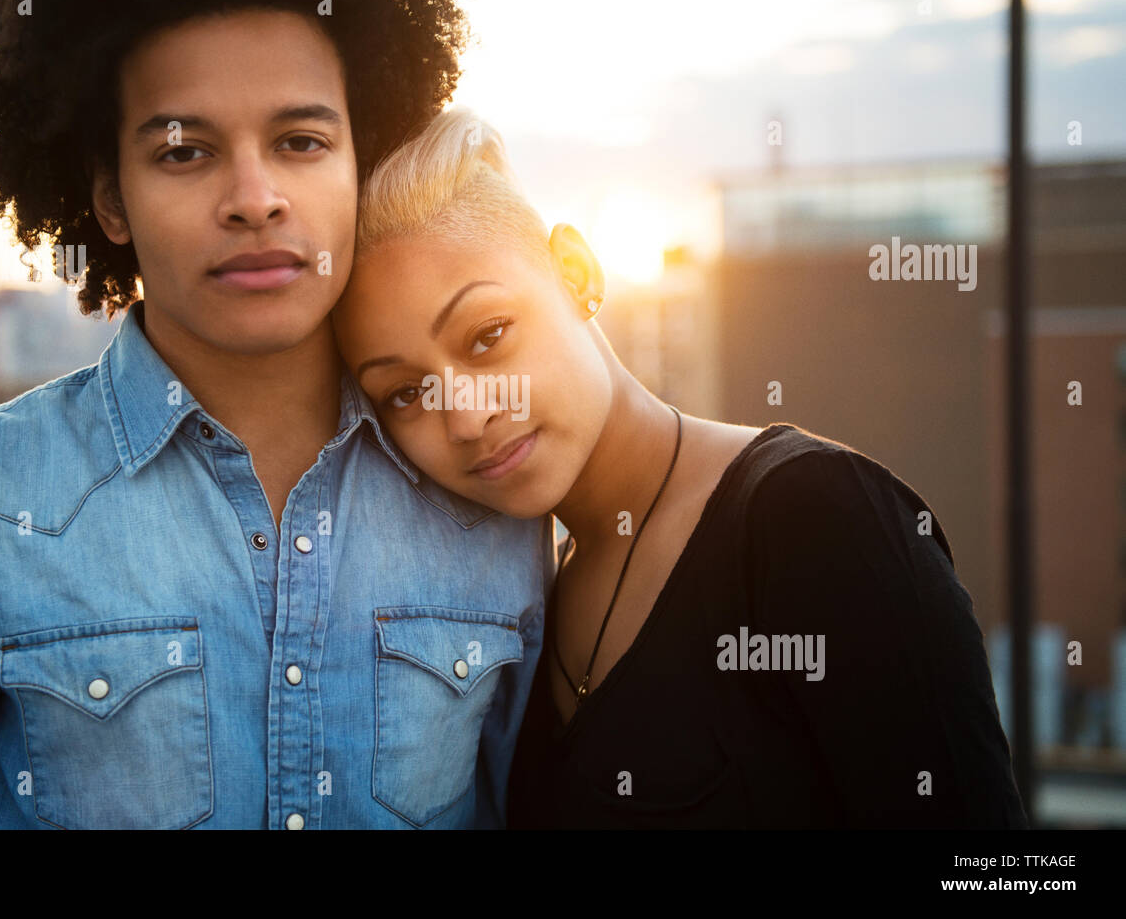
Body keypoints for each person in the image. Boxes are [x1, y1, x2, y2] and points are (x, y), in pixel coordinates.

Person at [0, 0, 553, 830]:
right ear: (110, 197)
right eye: (184, 152)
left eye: (301, 142)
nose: (255, 200)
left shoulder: (493, 488)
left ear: (363, 158)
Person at [331, 106, 1030, 828]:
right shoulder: (523, 606)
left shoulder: (812, 515)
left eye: (487, 337)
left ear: (575, 270)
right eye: (407, 392)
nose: (467, 415)